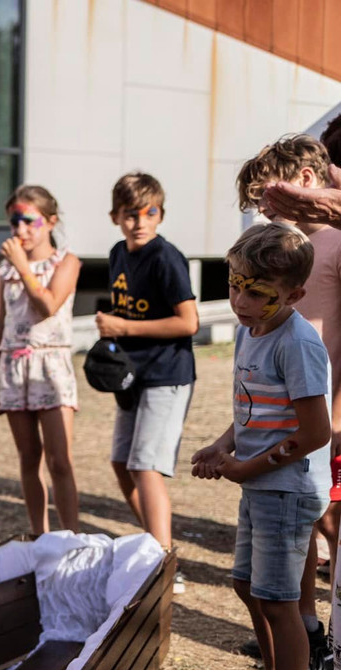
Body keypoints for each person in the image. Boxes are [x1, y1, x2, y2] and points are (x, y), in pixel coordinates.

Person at [190, 223, 327, 670]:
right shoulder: (251, 329)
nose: (240, 301)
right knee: (248, 585)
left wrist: (249, 466)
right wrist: (222, 445)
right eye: (235, 285)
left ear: (293, 295)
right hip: (260, 482)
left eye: (257, 292)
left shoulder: (298, 342)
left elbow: (315, 431)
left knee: (279, 600)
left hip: (287, 489)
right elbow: (251, 406)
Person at [237, 133, 341, 670]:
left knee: (324, 520)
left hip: (324, 414)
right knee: (298, 531)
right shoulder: (294, 254)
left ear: (306, 182)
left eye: (270, 203)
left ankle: (317, 632)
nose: (266, 216)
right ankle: (304, 627)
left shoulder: (336, 244)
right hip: (290, 406)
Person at [97, 173, 198, 552]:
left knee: (144, 467)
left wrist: (123, 325)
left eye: (148, 213)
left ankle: (161, 563)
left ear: (160, 215)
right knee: (122, 464)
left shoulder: (166, 257)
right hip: (132, 376)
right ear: (114, 216)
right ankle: (154, 548)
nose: (138, 222)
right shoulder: (117, 254)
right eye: (129, 214)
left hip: (166, 374)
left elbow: (189, 322)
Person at [0, 185, 82, 535]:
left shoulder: (67, 262)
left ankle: (70, 535)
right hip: (13, 368)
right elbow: (1, 326)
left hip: (51, 367)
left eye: (30, 221)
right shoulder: (5, 271)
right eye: (15, 223)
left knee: (60, 460)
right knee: (29, 459)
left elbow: (48, 304)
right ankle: (39, 534)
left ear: (50, 221)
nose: (21, 231)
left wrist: (22, 266)